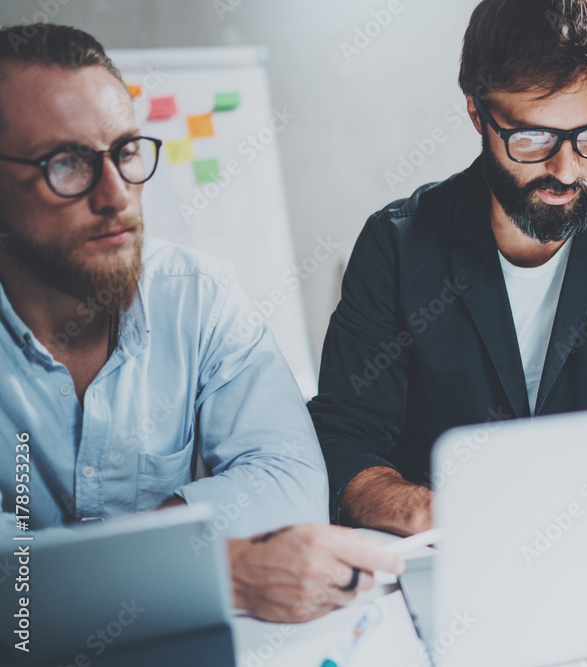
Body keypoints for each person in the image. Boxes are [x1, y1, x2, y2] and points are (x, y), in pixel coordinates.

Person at [0, 24, 402, 624]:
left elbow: (291, 482)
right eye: (67, 163)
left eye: (126, 152)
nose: (116, 195)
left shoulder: (198, 296)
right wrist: (215, 569)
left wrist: (106, 566)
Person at [309, 0, 587, 536]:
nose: (568, 170)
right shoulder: (396, 245)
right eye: (534, 138)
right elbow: (343, 432)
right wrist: (418, 508)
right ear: (476, 111)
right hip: (453, 552)